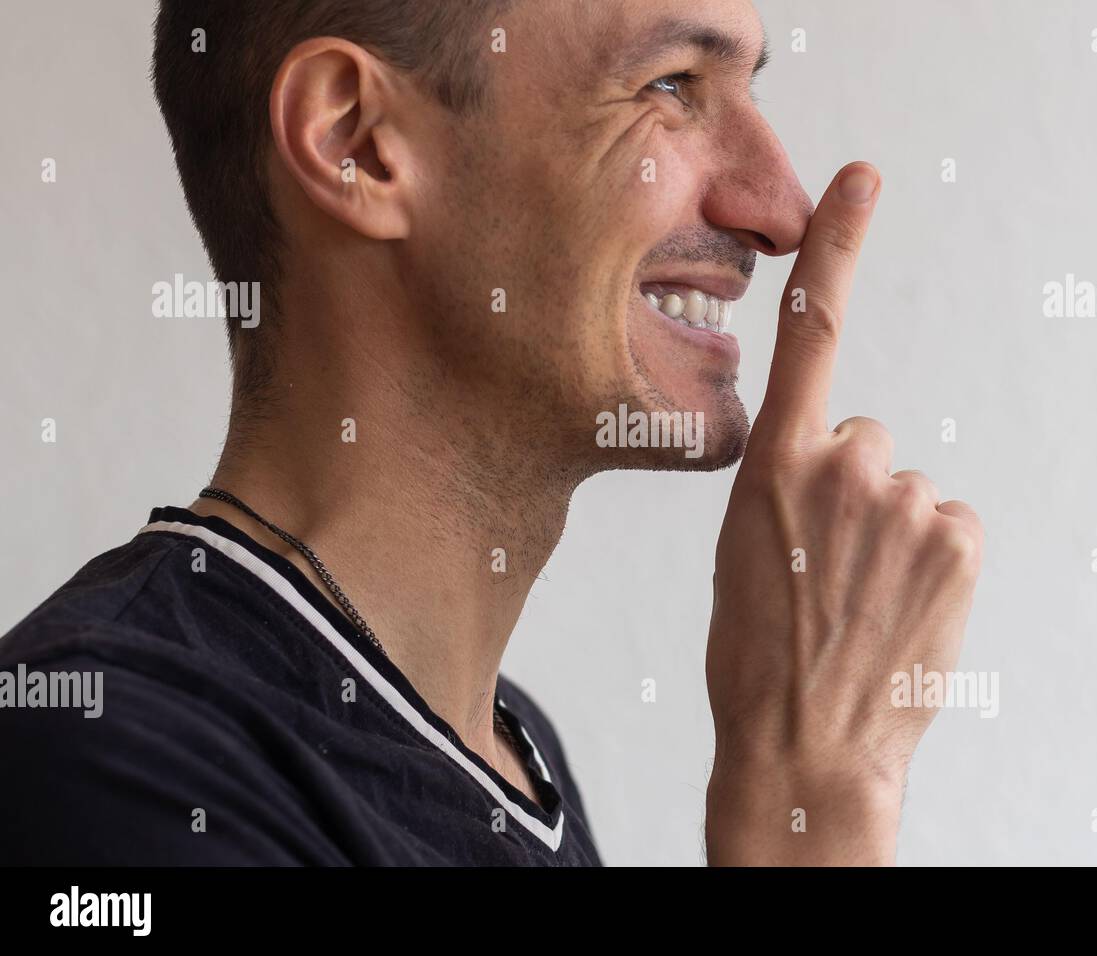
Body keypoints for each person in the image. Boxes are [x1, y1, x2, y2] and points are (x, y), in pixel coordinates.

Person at [0, 0, 981, 865]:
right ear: (361, 142)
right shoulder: (100, 755)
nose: (779, 210)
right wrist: (811, 802)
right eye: (671, 85)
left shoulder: (515, 752)